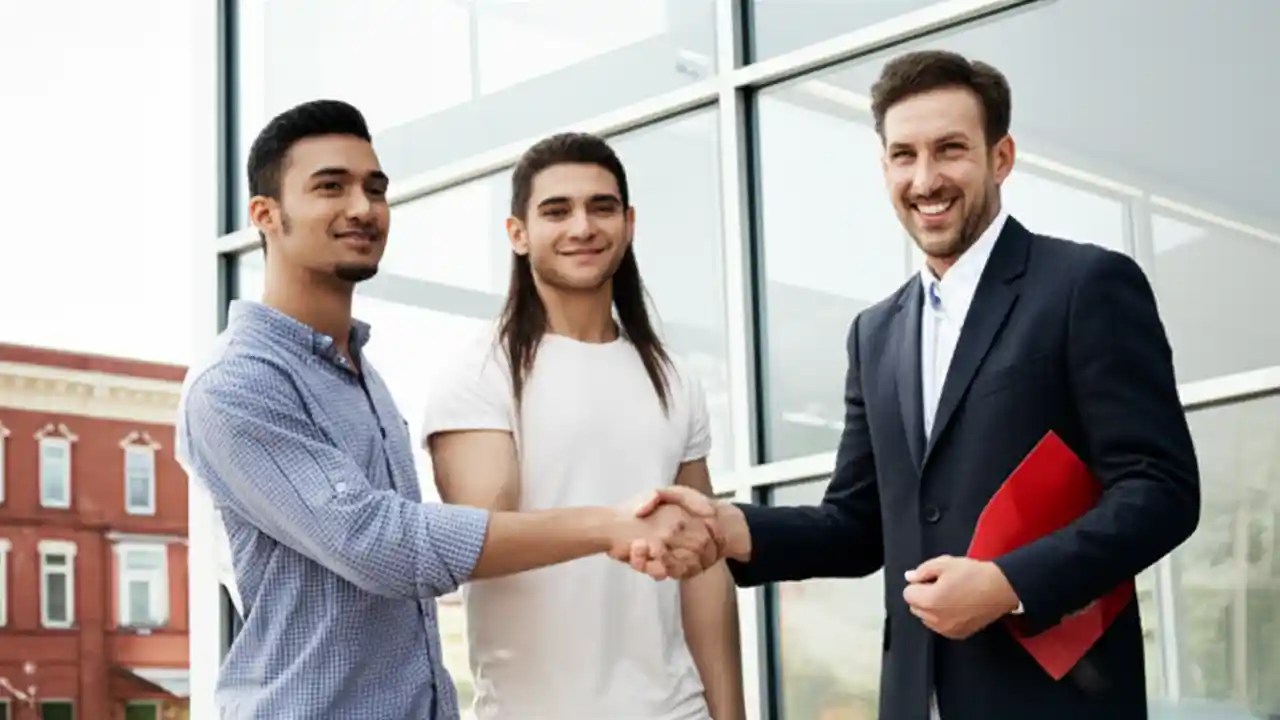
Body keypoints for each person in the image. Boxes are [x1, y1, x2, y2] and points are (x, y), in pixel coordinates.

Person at [639, 50, 1200, 720]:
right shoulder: (875, 333)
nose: (926, 178)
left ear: (1001, 157)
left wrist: (1006, 583)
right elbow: (857, 527)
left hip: (1053, 701)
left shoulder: (1085, 287)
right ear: (884, 168)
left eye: (950, 150)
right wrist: (733, 528)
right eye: (903, 155)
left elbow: (1161, 490)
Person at [174, 100, 722, 720]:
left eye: (374, 189)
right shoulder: (235, 384)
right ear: (266, 215)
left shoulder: (361, 375)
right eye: (331, 187)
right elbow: (380, 544)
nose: (362, 207)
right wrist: (611, 525)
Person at [420, 132, 745, 720]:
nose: (582, 227)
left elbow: (703, 564)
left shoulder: (675, 379)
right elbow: (479, 544)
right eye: (556, 211)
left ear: (629, 223)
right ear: (517, 234)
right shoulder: (477, 374)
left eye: (601, 207)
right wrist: (610, 527)